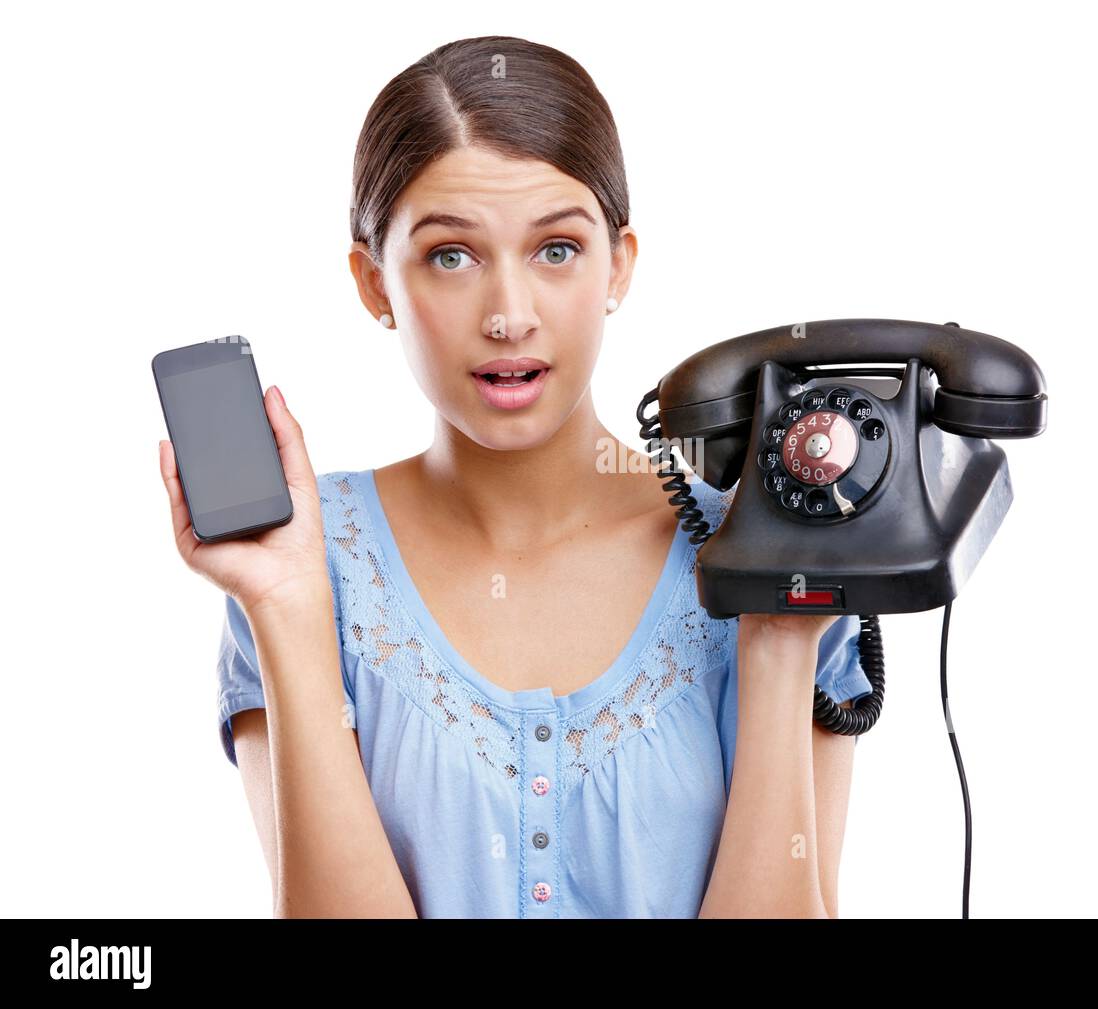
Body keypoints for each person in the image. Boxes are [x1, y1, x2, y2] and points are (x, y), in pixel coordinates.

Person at [158, 35, 872, 919]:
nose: (508, 316)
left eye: (557, 250)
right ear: (373, 283)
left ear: (620, 263)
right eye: (451, 256)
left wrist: (774, 633)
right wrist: (288, 610)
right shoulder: (306, 559)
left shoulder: (759, 543)